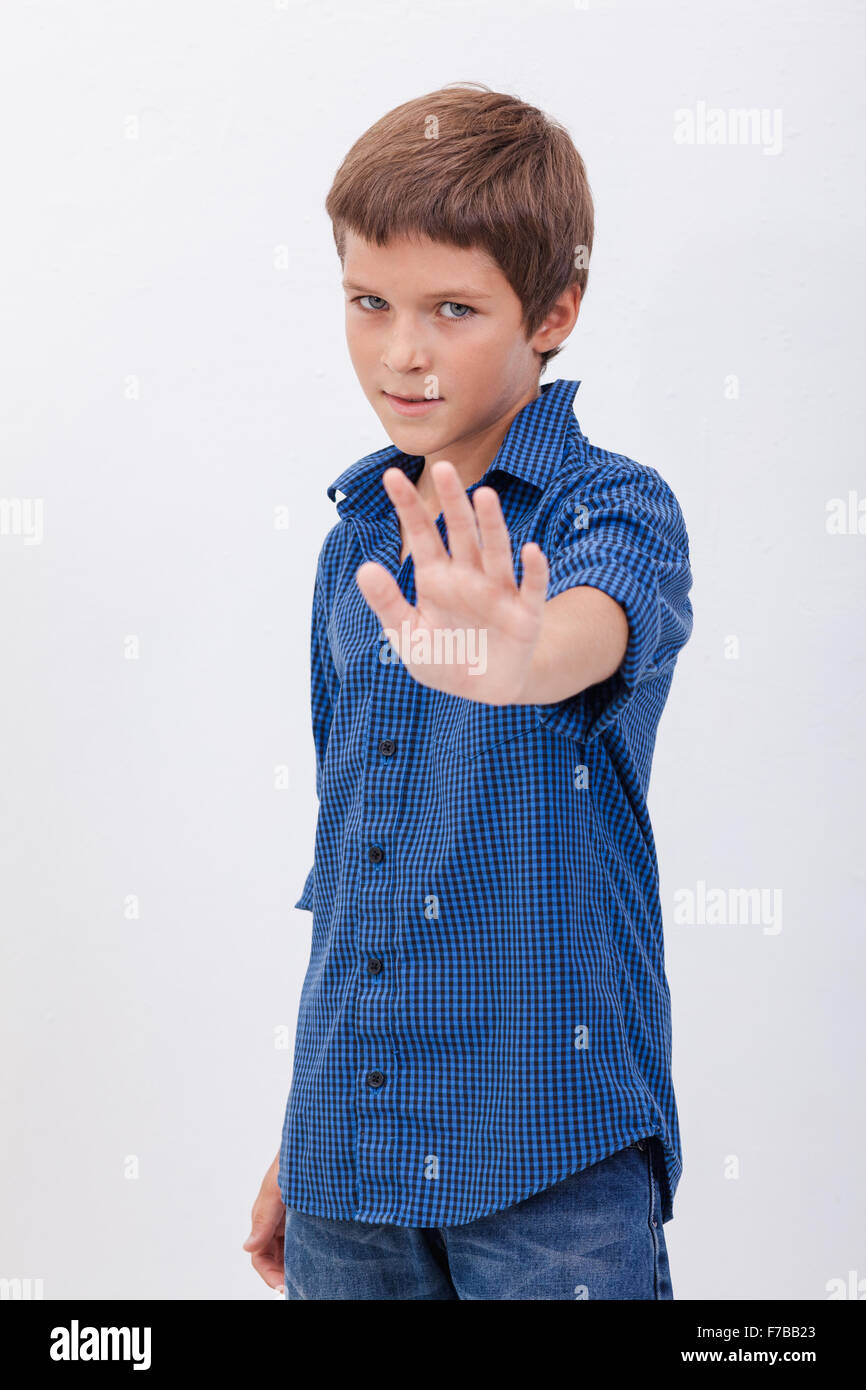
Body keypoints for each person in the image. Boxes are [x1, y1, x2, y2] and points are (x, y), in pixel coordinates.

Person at [243, 82, 693, 1300]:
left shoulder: (614, 507)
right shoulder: (356, 545)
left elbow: (585, 634)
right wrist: (306, 1122)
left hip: (546, 1155)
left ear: (553, 310)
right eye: (368, 303)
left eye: (453, 308)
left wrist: (521, 655)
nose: (402, 350)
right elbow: (353, 864)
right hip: (351, 1161)